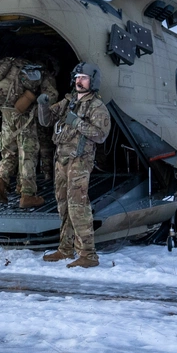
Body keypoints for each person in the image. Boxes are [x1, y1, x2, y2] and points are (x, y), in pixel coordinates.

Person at [37, 62, 111, 269]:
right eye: (77, 77)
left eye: (84, 77)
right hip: (62, 159)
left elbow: (101, 135)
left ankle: (88, 254)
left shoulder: (97, 106)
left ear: (92, 81)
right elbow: (46, 121)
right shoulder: (68, 101)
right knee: (63, 205)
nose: (79, 81)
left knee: (78, 207)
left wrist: (76, 122)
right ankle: (66, 248)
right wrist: (43, 106)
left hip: (79, 161)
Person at [0, 57, 56, 208]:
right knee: (28, 155)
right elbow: (50, 97)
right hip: (25, 118)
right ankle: (28, 195)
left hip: (6, 115)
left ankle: (0, 184)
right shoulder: (41, 71)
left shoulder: (5, 68)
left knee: (8, 154)